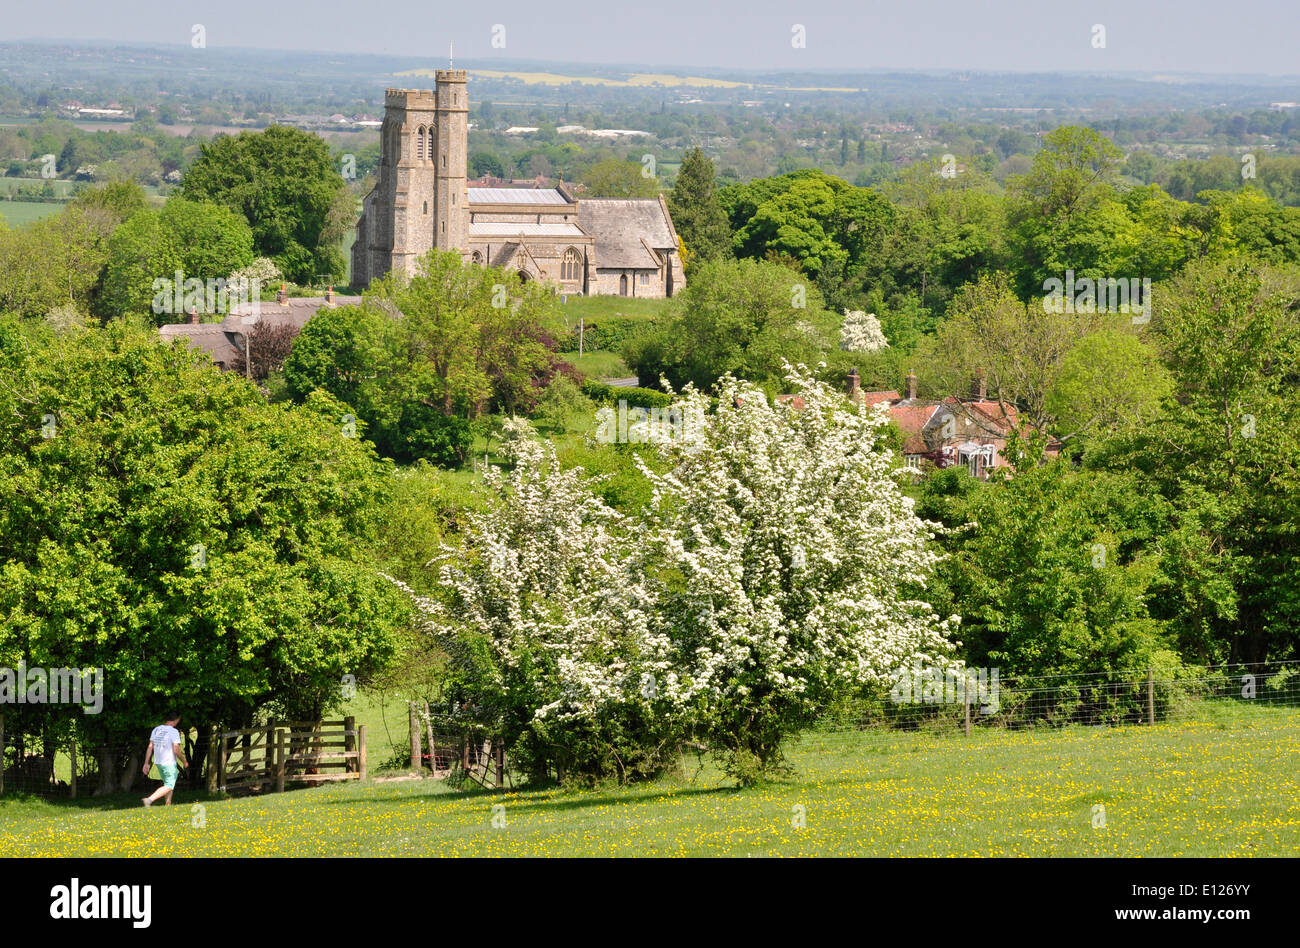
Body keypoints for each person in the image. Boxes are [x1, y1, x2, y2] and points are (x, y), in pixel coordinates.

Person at [141, 711, 188, 807]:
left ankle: (168, 804)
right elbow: (176, 749)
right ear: (175, 720)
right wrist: (184, 761)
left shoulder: (156, 729)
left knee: (167, 783)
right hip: (169, 762)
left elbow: (150, 746)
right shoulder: (173, 731)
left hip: (159, 762)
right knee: (169, 785)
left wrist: (146, 763)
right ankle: (149, 800)